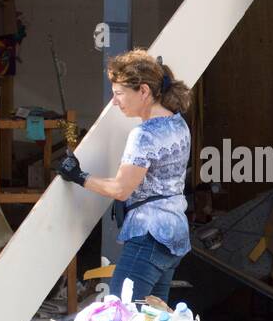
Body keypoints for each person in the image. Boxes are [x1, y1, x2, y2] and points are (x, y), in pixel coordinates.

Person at [56, 49, 192, 303]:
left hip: (149, 235)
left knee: (121, 316)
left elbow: (121, 189)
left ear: (143, 91)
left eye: (119, 94)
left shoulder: (144, 135)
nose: (115, 101)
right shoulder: (179, 124)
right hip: (173, 232)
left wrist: (78, 175)